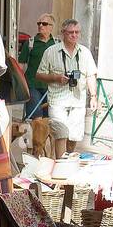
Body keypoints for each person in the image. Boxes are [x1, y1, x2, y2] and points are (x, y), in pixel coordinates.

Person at [36, 18, 99, 158]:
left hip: (77, 101)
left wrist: (93, 96)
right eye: (71, 32)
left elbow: (91, 75)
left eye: (77, 32)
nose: (74, 35)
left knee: (73, 137)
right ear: (63, 33)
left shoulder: (85, 52)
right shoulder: (51, 52)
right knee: (61, 134)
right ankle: (61, 164)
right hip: (58, 100)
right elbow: (39, 74)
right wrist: (56, 78)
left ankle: (68, 160)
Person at [19, 13, 56, 118]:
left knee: (49, 119)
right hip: (32, 85)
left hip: (51, 88)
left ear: (51, 27)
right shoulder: (30, 43)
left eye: (44, 24)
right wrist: (19, 84)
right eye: (38, 23)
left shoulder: (57, 44)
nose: (40, 26)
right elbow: (21, 65)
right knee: (36, 119)